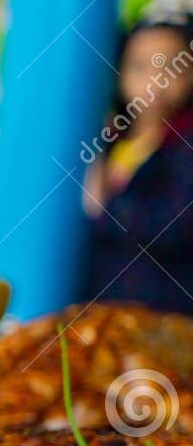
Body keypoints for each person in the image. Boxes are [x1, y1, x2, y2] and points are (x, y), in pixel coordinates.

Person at [84, 16, 193, 314]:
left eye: (173, 67)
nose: (156, 81)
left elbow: (175, 225)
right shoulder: (110, 140)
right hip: (102, 307)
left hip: (163, 311)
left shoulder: (184, 145)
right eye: (140, 67)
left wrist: (106, 209)